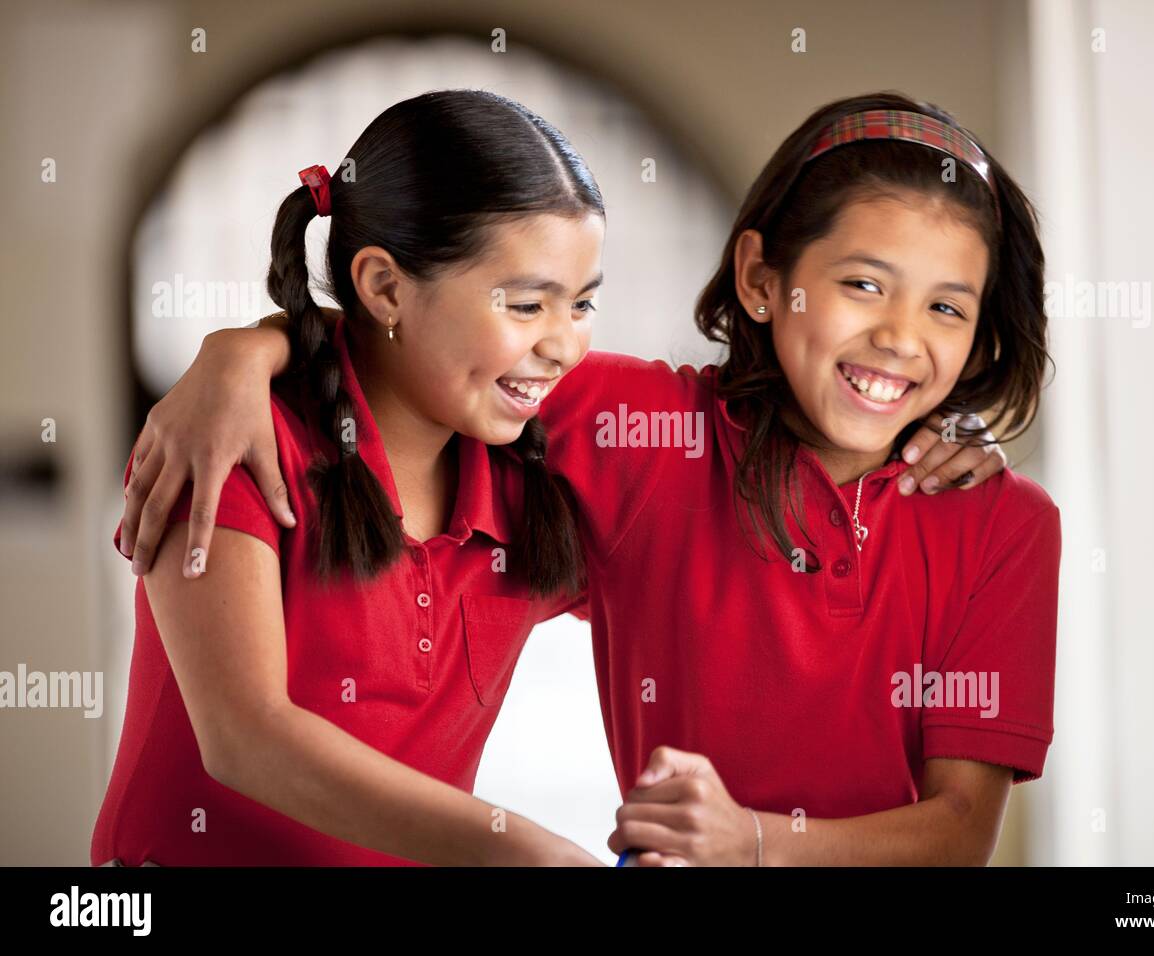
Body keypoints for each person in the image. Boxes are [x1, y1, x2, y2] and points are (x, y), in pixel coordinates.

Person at [116, 92, 1048, 866]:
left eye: (583, 303)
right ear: (762, 280)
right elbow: (245, 739)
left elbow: (961, 830)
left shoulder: (524, 461)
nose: (560, 345)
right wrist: (236, 355)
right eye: (527, 303)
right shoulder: (242, 448)